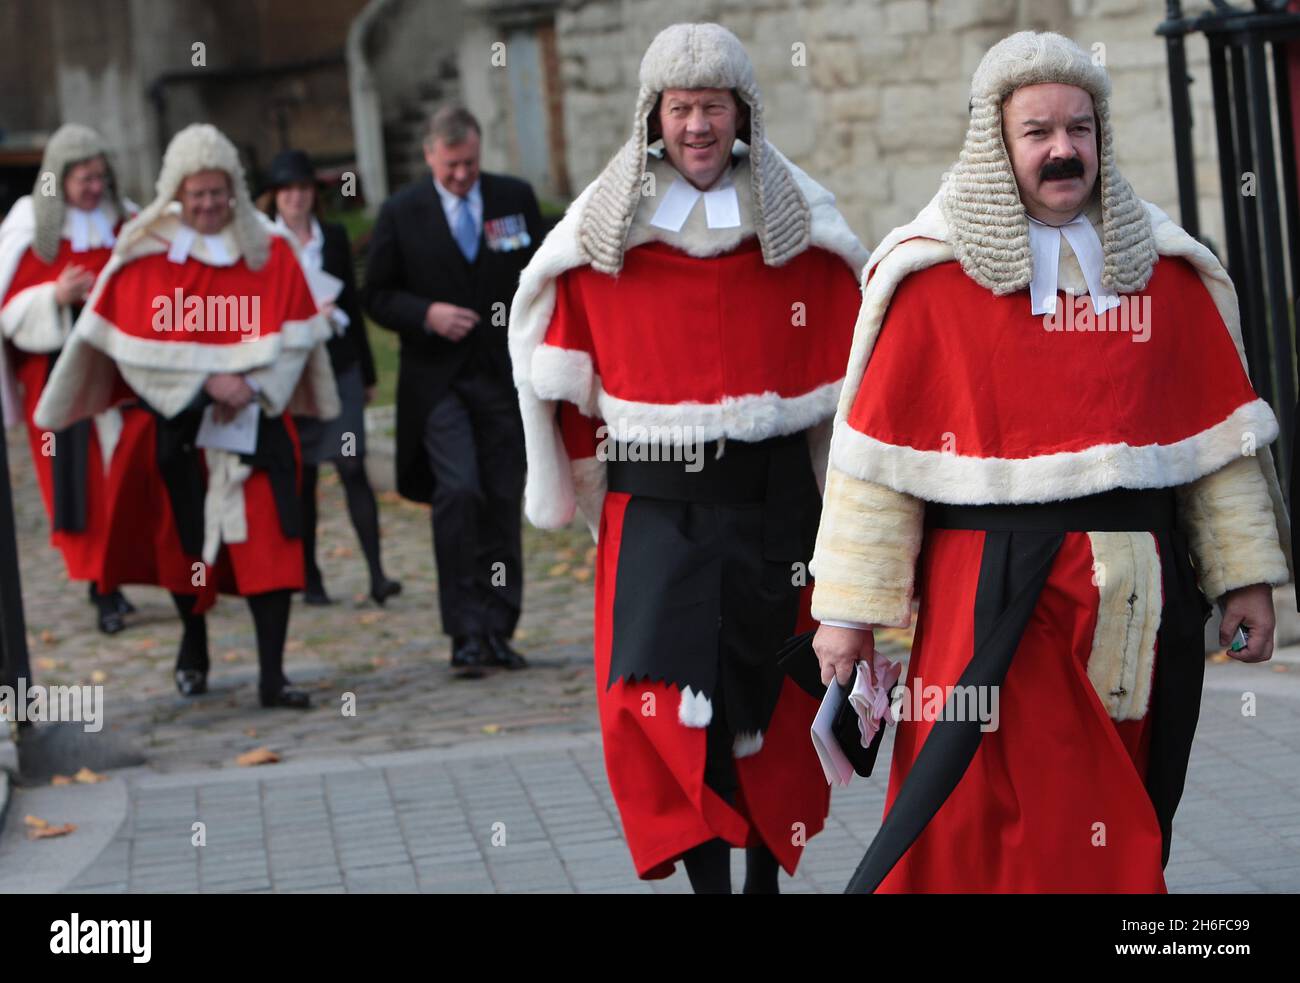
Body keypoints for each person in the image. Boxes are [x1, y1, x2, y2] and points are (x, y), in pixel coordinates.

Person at [809, 31, 1291, 892]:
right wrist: (848, 614)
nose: (1063, 149)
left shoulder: (1166, 272)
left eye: (1079, 128)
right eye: (1038, 132)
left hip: (1137, 609)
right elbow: (876, 469)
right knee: (993, 823)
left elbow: (1216, 450)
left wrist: (1245, 577)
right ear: (998, 143)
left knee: (1118, 809)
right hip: (987, 598)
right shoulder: (929, 277)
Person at [510, 23, 868, 892]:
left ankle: (762, 883)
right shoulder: (604, 230)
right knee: (661, 708)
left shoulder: (802, 226)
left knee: (775, 702)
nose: (698, 126)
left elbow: (859, 376)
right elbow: (555, 366)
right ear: (654, 116)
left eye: (713, 106)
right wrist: (583, 487)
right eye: (680, 109)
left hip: (774, 504)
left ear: (741, 113)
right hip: (655, 509)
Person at [36, 123, 340, 708]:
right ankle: (193, 643)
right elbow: (131, 349)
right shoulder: (146, 255)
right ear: (177, 191)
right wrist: (202, 383)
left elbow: (299, 335)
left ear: (234, 190)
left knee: (270, 543)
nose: (207, 204)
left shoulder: (270, 250)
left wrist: (253, 384)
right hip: (179, 429)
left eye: (218, 192)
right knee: (184, 550)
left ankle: (273, 675)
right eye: (197, 193)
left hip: (256, 424)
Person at [364, 106, 541, 677]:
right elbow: (377, 294)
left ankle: (499, 627)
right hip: (437, 382)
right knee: (459, 492)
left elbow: (542, 275)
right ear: (429, 157)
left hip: (501, 377)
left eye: (469, 163)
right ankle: (464, 631)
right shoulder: (402, 212)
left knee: (501, 497)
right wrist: (426, 314)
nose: (462, 175)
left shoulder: (513, 198)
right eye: (450, 167)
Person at [0, 123, 139, 633]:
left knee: (125, 477)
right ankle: (101, 586)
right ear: (59, 180)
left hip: (121, 376)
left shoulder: (126, 220)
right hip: (59, 383)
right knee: (82, 487)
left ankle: (120, 575)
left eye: (101, 177)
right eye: (84, 179)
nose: (95, 188)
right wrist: (54, 298)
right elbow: (8, 313)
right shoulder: (29, 225)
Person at [260, 149, 400, 608]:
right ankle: (310, 575)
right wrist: (301, 318)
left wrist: (368, 372)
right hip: (293, 373)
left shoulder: (334, 237)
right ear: (275, 196)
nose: (296, 198)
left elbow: (353, 309)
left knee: (351, 463)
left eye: (303, 188)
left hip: (340, 366)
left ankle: (377, 573)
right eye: (287, 190)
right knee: (302, 474)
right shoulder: (263, 242)